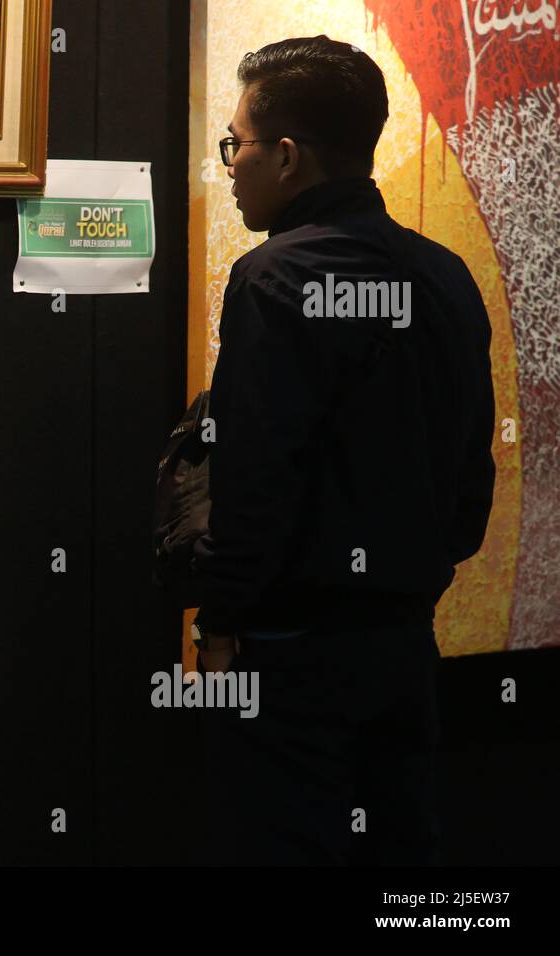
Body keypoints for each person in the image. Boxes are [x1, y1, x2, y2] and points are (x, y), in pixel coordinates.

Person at [191, 36, 496, 865]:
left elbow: (254, 484)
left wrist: (219, 624)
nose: (229, 164)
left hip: (292, 652)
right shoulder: (444, 274)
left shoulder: (272, 279)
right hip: (403, 641)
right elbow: (474, 474)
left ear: (286, 157)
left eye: (236, 144)